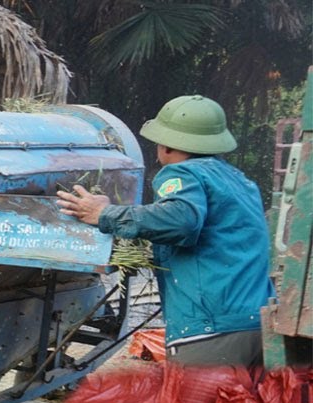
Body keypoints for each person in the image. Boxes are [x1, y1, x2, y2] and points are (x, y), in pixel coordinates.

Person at [56, 94, 272, 367]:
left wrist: (104, 214)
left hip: (211, 331)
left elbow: (180, 221)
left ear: (167, 146)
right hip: (258, 325)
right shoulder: (239, 180)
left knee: (195, 397)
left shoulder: (182, 173)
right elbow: (217, 238)